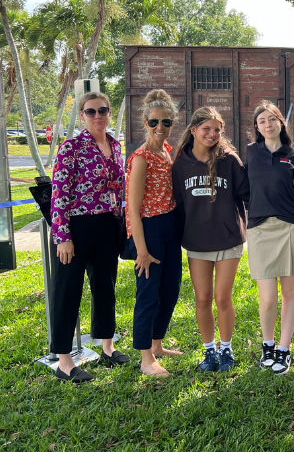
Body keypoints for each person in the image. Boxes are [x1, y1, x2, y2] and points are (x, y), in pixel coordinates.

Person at [50, 92, 128, 382]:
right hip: (76, 227)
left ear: (109, 113)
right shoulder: (71, 147)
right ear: (82, 115)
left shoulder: (114, 145)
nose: (98, 116)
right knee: (68, 291)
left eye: (103, 110)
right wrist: (63, 236)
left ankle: (107, 346)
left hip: (107, 225)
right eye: (91, 111)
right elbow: (58, 193)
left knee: (105, 287)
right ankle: (64, 361)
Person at [172, 107, 249, 373]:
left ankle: (226, 349)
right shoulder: (181, 163)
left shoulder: (229, 160)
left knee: (222, 297)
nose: (212, 134)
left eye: (217, 129)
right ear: (193, 130)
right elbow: (179, 204)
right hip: (197, 241)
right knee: (203, 298)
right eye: (207, 128)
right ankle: (209, 351)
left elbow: (248, 194)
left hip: (229, 239)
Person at [246, 101, 294, 375]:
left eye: (272, 119)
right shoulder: (249, 153)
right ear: (257, 128)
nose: (268, 124)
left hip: (290, 227)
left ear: (280, 124)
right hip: (260, 229)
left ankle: (284, 350)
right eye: (262, 121)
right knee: (267, 297)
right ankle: (268, 345)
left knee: (290, 293)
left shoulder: (293, 154)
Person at [125, 89, 183, 378]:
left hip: (170, 226)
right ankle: (145, 358)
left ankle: (157, 344)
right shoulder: (141, 157)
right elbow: (133, 210)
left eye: (166, 122)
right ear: (145, 123)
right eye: (154, 122)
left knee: (170, 289)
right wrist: (142, 250)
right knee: (148, 293)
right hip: (148, 229)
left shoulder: (168, 152)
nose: (160, 128)